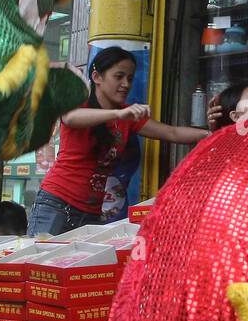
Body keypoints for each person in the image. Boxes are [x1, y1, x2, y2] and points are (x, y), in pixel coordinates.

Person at [31, 47, 209, 235]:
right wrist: (118, 113)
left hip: (91, 213)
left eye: (130, 78)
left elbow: (172, 133)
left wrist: (211, 134)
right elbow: (69, 118)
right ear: (97, 77)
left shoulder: (127, 114)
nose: (126, 84)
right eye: (119, 76)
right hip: (55, 205)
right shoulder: (81, 101)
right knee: (37, 263)